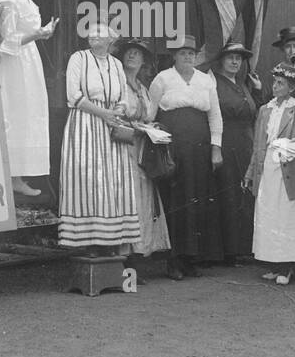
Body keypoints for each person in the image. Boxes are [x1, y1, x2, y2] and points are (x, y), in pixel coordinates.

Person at [57, 23, 141, 250]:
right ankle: (86, 241)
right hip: (85, 124)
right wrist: (104, 113)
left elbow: (123, 96)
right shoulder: (79, 58)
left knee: (114, 180)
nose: (93, 36)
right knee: (88, 178)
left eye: (99, 33)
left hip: (111, 128)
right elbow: (73, 96)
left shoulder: (115, 64)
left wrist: (118, 111)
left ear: (110, 40)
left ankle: (111, 240)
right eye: (91, 33)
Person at [148, 34, 224, 278]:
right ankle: (173, 261)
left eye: (191, 53)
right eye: (182, 53)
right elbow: (150, 115)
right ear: (174, 56)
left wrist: (216, 148)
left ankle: (193, 258)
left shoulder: (205, 81)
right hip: (173, 148)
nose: (188, 57)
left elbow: (215, 116)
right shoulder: (162, 79)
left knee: (198, 198)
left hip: (200, 149)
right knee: (175, 200)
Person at [244, 63, 295, 285]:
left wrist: (288, 145)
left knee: (287, 217)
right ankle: (273, 264)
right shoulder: (265, 110)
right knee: (269, 215)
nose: (275, 86)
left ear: (292, 87)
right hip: (267, 169)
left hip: (289, 169)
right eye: (274, 82)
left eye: (281, 83)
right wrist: (250, 172)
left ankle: (288, 266)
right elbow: (257, 144)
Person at [0, 0, 56, 198]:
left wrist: (39, 34)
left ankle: (18, 176)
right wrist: (39, 34)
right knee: (16, 114)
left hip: (28, 61)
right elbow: (6, 40)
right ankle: (10, 177)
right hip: (15, 64)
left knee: (27, 114)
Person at [116, 38, 171, 263]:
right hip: (122, 149)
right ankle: (122, 256)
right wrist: (135, 127)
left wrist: (153, 127)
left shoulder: (144, 89)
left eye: (137, 54)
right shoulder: (117, 84)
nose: (132, 56)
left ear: (143, 60)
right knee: (127, 199)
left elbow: (148, 116)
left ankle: (138, 256)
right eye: (128, 52)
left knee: (144, 201)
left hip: (142, 153)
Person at [213, 41, 258, 261]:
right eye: (230, 57)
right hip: (227, 142)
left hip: (245, 144)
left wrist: (257, 91)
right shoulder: (214, 83)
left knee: (245, 193)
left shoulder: (243, 84)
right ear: (221, 60)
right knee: (229, 193)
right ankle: (229, 250)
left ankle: (244, 247)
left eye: (238, 58)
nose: (234, 62)